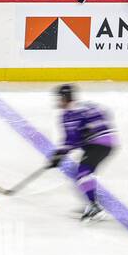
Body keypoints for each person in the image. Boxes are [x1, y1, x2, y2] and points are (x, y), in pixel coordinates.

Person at [48, 83, 116, 222]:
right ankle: (91, 203)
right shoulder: (88, 104)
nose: (58, 101)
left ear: (65, 98)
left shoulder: (68, 115)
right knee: (82, 173)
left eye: (59, 98)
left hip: (98, 144)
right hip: (107, 142)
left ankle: (94, 207)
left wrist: (58, 155)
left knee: (83, 173)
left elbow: (71, 140)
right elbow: (106, 112)